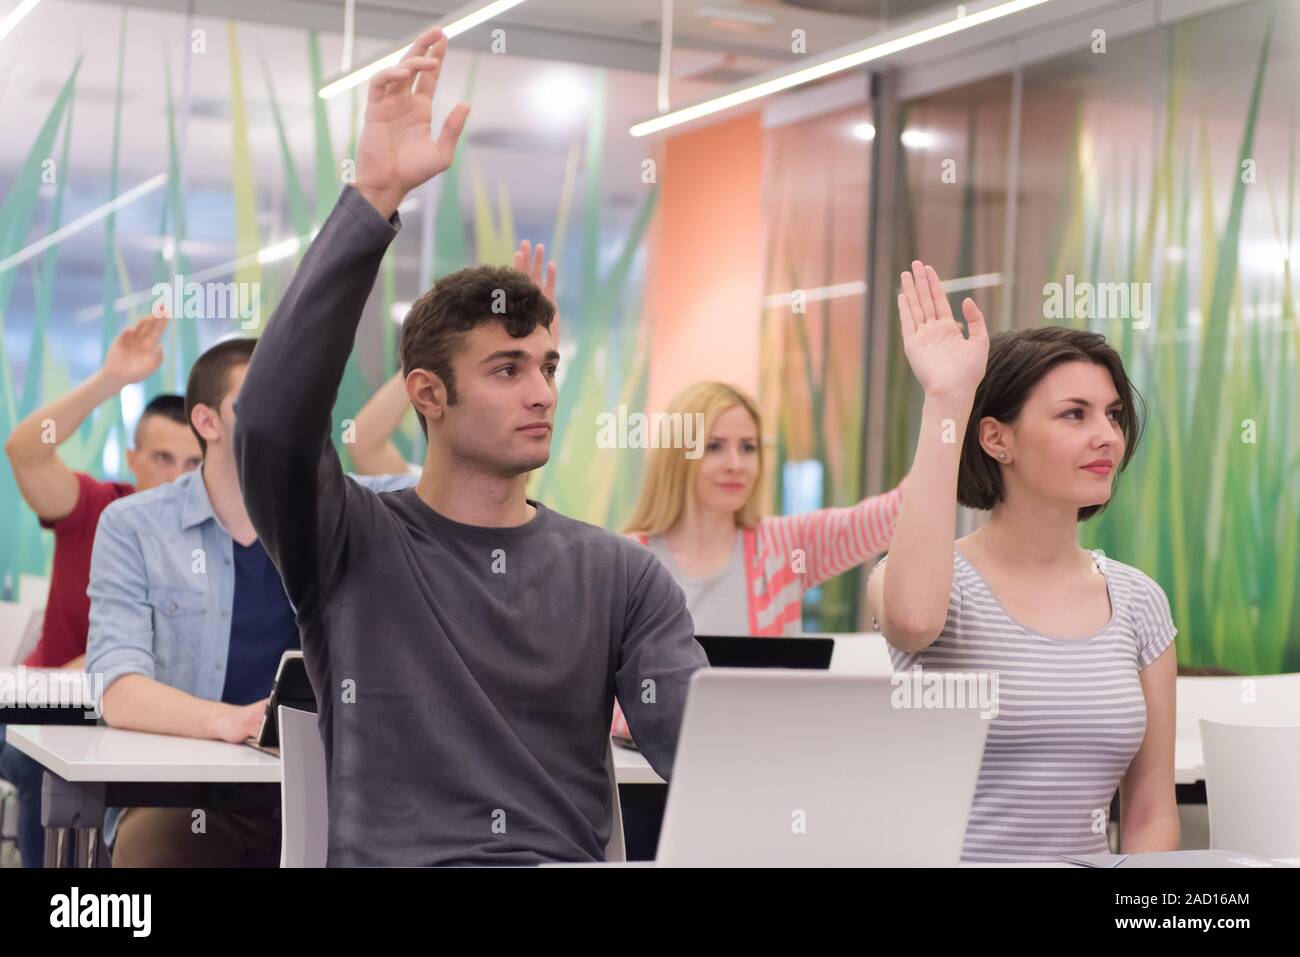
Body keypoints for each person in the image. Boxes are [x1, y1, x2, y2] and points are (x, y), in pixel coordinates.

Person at [233, 24, 707, 866]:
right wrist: (372, 197)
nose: (541, 391)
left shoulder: (620, 575)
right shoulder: (349, 543)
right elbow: (270, 420)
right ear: (428, 395)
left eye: (548, 366)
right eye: (506, 368)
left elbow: (711, 758)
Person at [866, 259, 1179, 862]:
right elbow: (910, 619)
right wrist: (947, 399)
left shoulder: (1139, 601)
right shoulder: (926, 583)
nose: (1108, 435)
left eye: (1112, 414)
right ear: (995, 438)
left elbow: (1150, 811)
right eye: (1074, 413)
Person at [86, 337, 415, 866]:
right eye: (260, 397)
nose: (284, 411)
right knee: (159, 852)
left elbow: (459, 494)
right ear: (208, 422)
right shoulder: (134, 526)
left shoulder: (343, 511)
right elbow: (118, 691)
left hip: (325, 792)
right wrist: (233, 721)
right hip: (187, 799)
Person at [0, 312, 199, 868]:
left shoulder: (216, 538)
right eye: (162, 458)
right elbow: (26, 451)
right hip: (52, 709)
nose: (177, 476)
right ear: (134, 458)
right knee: (42, 769)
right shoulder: (96, 507)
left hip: (148, 721)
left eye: (193, 463)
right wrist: (111, 380)